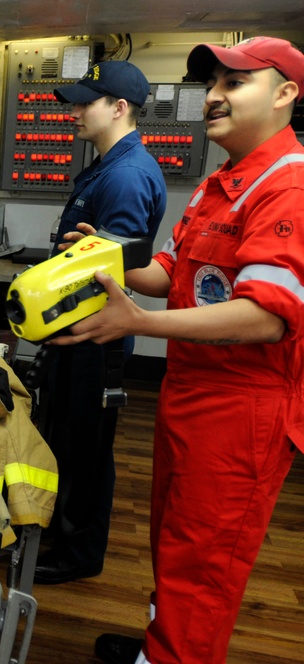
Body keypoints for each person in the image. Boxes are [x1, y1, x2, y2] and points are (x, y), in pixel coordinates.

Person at [47, 37, 304, 664]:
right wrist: (107, 262)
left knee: (204, 567)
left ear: (285, 93)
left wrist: (136, 322)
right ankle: (158, 650)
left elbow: (266, 317)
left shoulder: (288, 185)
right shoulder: (223, 181)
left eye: (235, 83)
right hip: (190, 393)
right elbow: (171, 267)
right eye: (211, 84)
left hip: (241, 409)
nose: (214, 96)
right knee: (175, 544)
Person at [32, 60, 167, 585]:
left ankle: (77, 552)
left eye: (86, 102)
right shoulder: (108, 165)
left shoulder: (127, 175)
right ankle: (59, 532)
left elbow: (117, 274)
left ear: (119, 108)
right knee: (68, 441)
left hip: (95, 337)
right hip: (77, 331)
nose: (75, 112)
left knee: (85, 448)